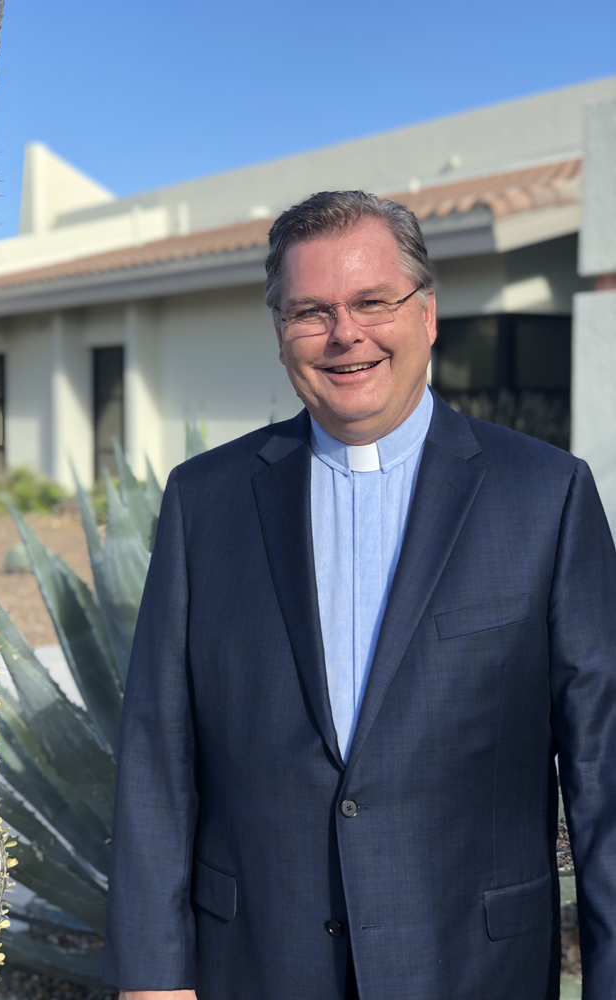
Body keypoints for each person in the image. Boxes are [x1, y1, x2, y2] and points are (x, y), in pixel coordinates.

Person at [103, 191, 616, 1000]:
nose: (346, 334)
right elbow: (159, 756)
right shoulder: (205, 500)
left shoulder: (545, 497)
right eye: (310, 311)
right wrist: (151, 977)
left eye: (373, 301)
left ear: (427, 315)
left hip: (474, 967)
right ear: (281, 337)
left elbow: (602, 769)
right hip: (259, 965)